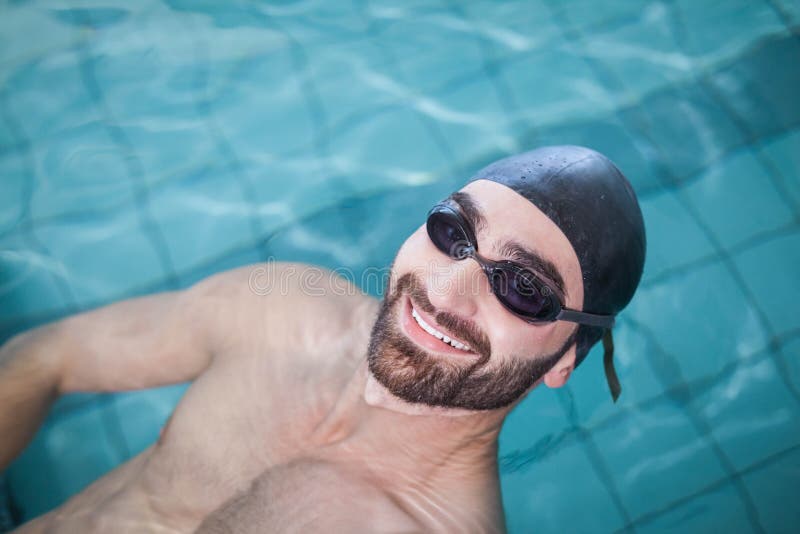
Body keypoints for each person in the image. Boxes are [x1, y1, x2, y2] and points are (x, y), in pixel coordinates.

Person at [0, 145, 646, 533]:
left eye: (523, 289)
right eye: (453, 233)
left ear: (565, 358)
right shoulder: (280, 311)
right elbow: (47, 357)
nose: (444, 291)